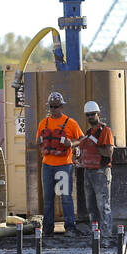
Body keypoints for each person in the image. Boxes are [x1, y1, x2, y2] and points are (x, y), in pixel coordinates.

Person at [35, 91, 83, 236]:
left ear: (62, 107)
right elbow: (37, 140)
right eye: (51, 106)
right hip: (47, 166)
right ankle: (48, 229)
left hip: (64, 165)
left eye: (56, 106)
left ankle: (70, 228)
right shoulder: (43, 123)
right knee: (48, 198)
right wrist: (41, 142)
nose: (53, 109)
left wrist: (71, 144)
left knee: (66, 197)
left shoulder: (71, 123)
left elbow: (81, 139)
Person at [75, 100, 115, 235]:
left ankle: (106, 235)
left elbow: (109, 152)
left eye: (92, 114)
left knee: (103, 205)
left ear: (98, 114)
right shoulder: (88, 133)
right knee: (91, 207)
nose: (90, 117)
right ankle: (96, 234)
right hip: (88, 171)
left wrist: (94, 144)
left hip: (100, 172)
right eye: (88, 115)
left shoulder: (105, 131)